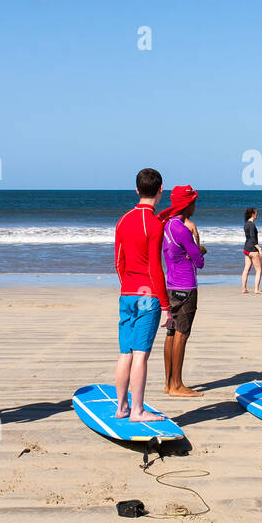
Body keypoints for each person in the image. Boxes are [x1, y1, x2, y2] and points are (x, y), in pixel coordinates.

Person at [113, 168, 170, 421]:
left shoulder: (123, 220)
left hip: (126, 294)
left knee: (125, 352)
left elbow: (118, 262)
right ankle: (137, 410)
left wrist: (127, 286)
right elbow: (156, 268)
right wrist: (166, 306)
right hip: (148, 296)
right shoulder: (155, 224)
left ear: (137, 190)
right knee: (141, 355)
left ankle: (122, 407)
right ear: (160, 191)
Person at [159, 185, 205, 398]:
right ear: (187, 205)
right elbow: (199, 261)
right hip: (186, 286)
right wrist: (199, 249)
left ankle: (169, 382)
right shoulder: (182, 229)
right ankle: (177, 384)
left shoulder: (167, 225)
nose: (196, 206)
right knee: (182, 334)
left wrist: (190, 252)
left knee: (171, 332)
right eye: (194, 202)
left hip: (171, 285)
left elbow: (175, 252)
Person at [241, 207, 262, 293]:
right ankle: (256, 289)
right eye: (256, 213)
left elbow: (249, 237)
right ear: (253, 214)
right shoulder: (252, 225)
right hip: (253, 249)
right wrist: (259, 249)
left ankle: (244, 288)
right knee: (258, 269)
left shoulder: (246, 224)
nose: (257, 214)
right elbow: (253, 239)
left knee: (246, 268)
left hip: (246, 248)